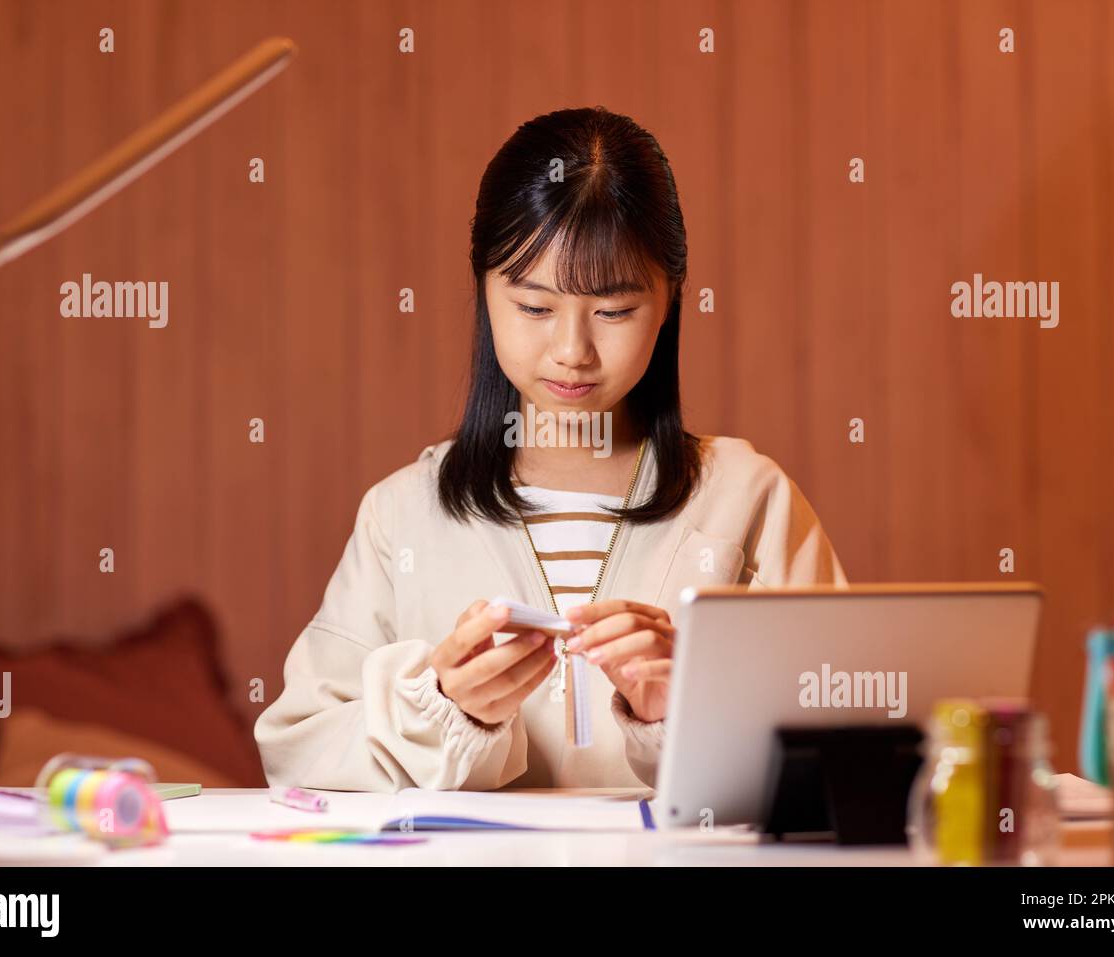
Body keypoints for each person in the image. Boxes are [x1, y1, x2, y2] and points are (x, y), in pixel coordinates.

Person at [254, 106, 846, 792]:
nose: (572, 351)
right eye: (534, 307)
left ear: (671, 300)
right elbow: (297, 750)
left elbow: (843, 754)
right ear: (483, 288)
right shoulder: (401, 516)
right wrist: (444, 710)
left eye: (615, 311)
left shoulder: (749, 499)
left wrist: (686, 708)